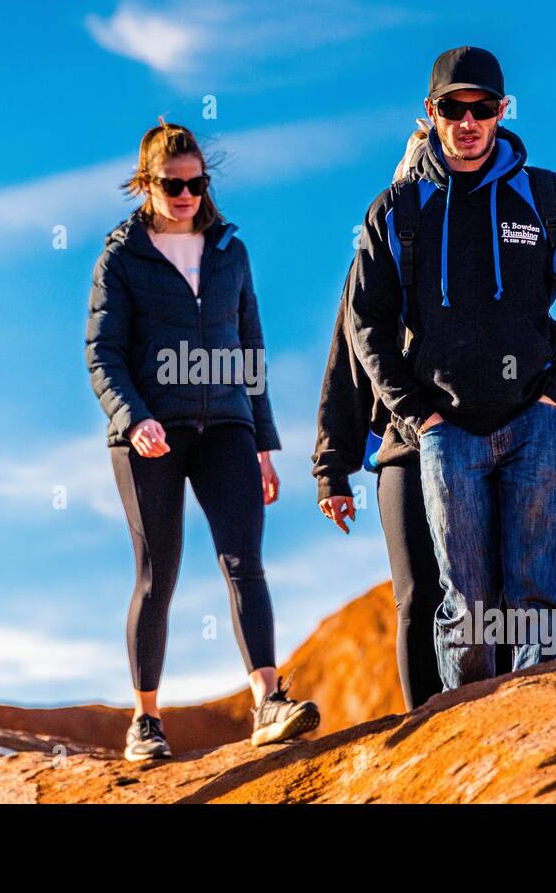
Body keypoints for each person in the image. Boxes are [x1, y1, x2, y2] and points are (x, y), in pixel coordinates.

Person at [347, 46, 556, 691]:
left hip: (536, 426)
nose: (467, 123)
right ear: (430, 113)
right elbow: (364, 327)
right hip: (447, 435)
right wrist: (421, 417)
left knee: (535, 608)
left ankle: (542, 761)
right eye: (452, 109)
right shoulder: (398, 211)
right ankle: (468, 753)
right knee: (467, 618)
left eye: (482, 109)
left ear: (502, 111)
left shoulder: (547, 198)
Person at [313, 137, 556, 710]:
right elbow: (349, 358)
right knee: (424, 596)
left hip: (491, 435)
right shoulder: (394, 234)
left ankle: (500, 712)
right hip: (407, 444)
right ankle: (431, 726)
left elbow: (524, 329)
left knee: (495, 590)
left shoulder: (502, 215)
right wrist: (333, 466)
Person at [86, 121, 320, 761]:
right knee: (157, 573)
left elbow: (251, 352)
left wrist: (264, 443)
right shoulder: (120, 257)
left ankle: (268, 702)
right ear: (147, 184)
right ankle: (146, 721)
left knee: (244, 560)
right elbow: (102, 354)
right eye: (172, 184)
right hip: (148, 436)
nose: (186, 194)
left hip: (226, 426)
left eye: (196, 183)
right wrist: (135, 418)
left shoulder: (229, 252)